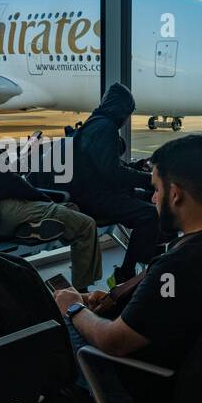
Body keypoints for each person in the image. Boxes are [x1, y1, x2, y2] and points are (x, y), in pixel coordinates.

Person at [53, 135, 202, 403]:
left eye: (156, 189)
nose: (153, 198)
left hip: (148, 387)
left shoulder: (181, 265)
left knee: (41, 337)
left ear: (176, 193)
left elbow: (113, 342)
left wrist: (73, 307)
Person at [0, 88, 102, 289]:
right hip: (3, 212)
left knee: (70, 209)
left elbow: (2, 175)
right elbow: (11, 183)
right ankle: (82, 292)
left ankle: (30, 230)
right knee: (85, 225)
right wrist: (42, 198)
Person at [68, 83, 159, 284]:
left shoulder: (95, 124)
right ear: (122, 110)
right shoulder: (105, 128)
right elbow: (112, 173)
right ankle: (128, 272)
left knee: (150, 204)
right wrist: (150, 180)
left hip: (93, 192)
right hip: (95, 198)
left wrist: (136, 168)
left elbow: (104, 166)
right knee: (150, 214)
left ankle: (144, 263)